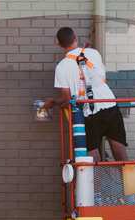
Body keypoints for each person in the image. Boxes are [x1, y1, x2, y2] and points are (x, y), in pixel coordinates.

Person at [51, 26, 129, 161]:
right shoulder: (93, 53)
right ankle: (127, 179)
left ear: (58, 43)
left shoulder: (61, 67)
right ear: (75, 37)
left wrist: (52, 102)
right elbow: (101, 77)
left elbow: (66, 99)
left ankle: (96, 181)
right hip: (109, 104)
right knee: (118, 147)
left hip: (88, 111)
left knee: (92, 152)